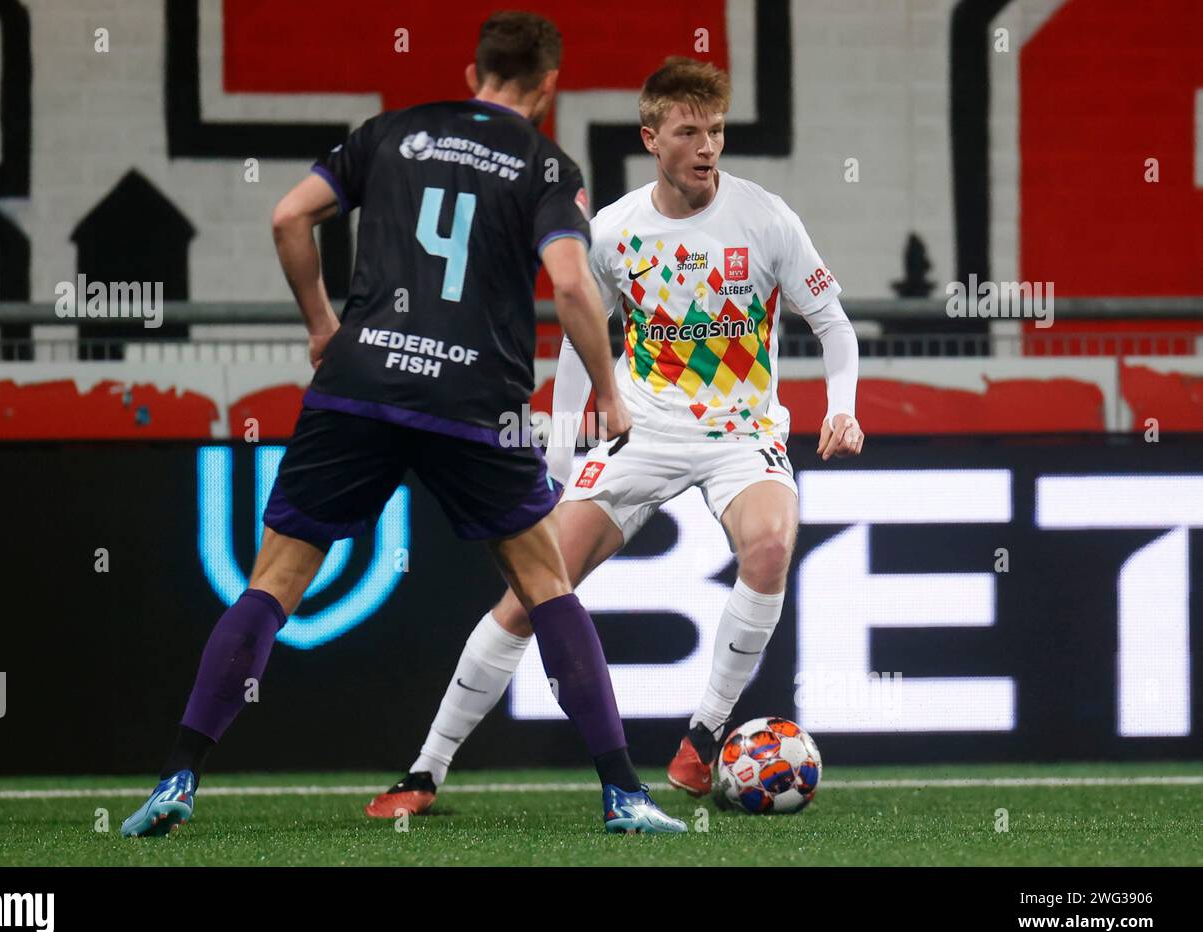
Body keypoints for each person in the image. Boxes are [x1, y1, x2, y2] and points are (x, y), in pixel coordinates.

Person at [122, 12, 686, 838]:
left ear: (473, 73)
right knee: (545, 587)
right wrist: (610, 389)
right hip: (473, 399)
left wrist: (321, 325)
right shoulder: (545, 165)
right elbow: (571, 285)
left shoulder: (391, 133)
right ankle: (623, 794)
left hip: (360, 382)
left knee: (273, 583)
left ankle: (177, 777)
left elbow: (287, 217)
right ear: (549, 86)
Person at [367, 56, 863, 819]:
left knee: (769, 544)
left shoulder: (767, 219)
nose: (707, 147)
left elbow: (832, 323)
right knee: (532, 591)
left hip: (742, 432)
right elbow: (575, 338)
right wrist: (565, 453)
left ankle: (700, 738)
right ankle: (425, 771)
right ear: (651, 137)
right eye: (690, 132)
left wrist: (843, 406)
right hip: (643, 428)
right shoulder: (614, 230)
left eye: (718, 131)